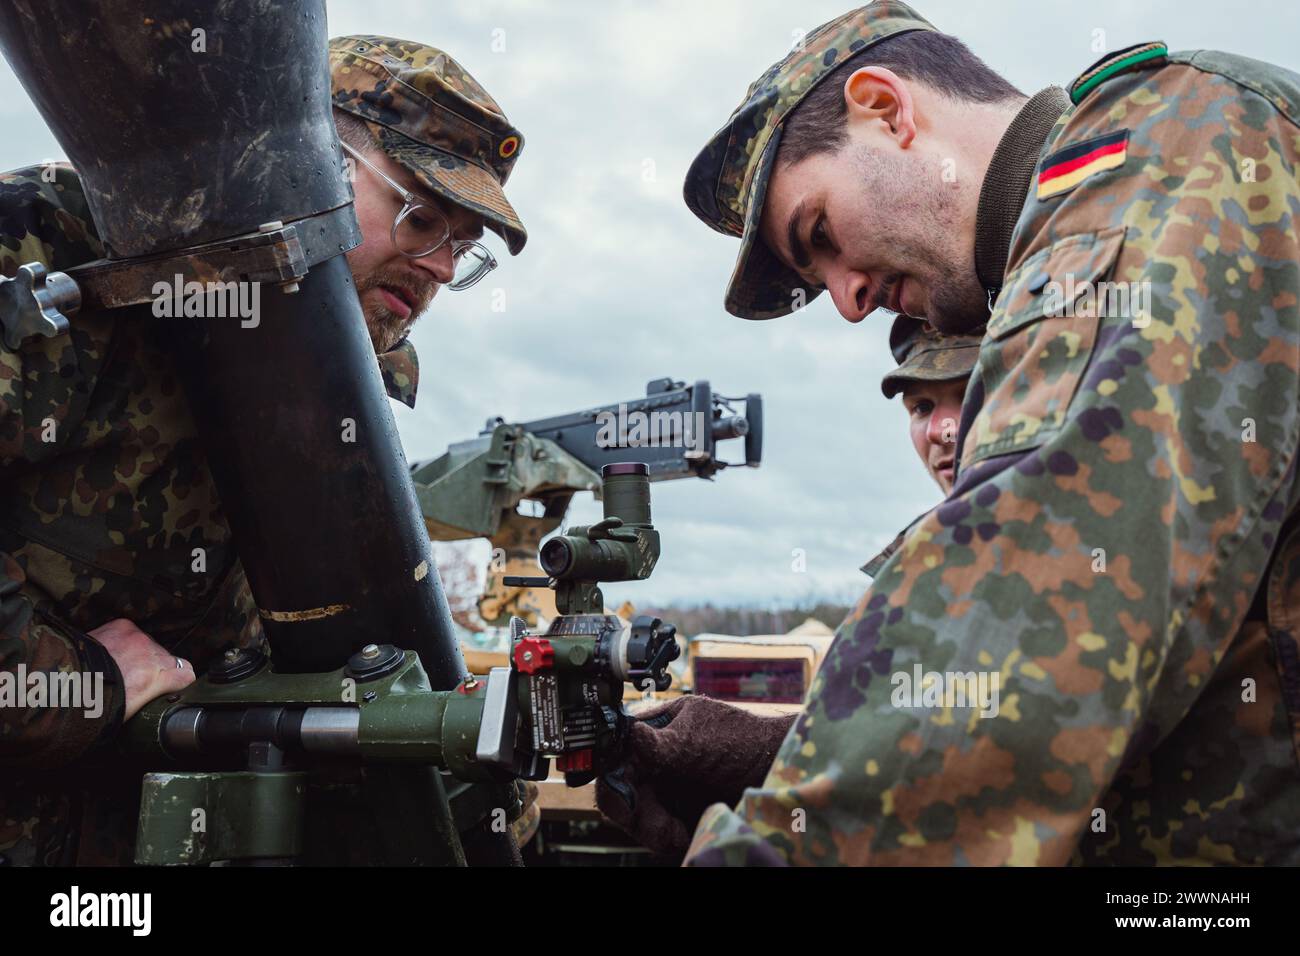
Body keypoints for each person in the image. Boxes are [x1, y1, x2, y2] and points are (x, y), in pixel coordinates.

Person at [676, 1, 1300, 865]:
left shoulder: (1152, 149)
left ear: (886, 109)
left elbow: (1039, 607)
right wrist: (786, 754)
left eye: (820, 235)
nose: (849, 299)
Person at [0, 36, 528, 865]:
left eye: (463, 248)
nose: (436, 267)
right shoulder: (52, 248)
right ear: (302, 158)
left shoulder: (353, 377)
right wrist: (71, 687)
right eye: (422, 217)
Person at [596, 318, 979, 861]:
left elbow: (966, 765)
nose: (940, 429)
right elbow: (892, 730)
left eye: (967, 396)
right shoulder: (928, 556)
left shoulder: (1040, 549)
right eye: (920, 407)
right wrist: (756, 748)